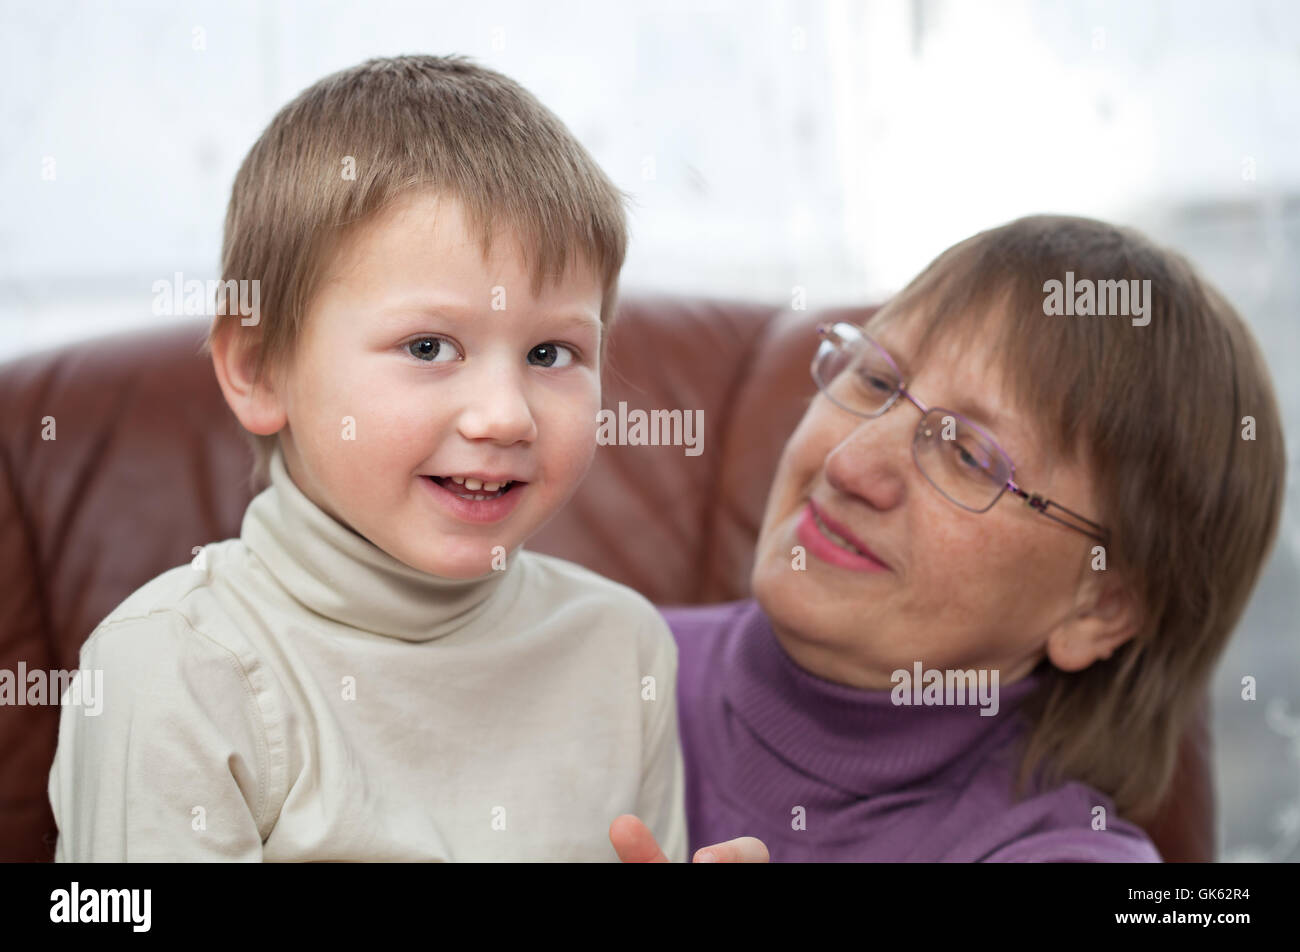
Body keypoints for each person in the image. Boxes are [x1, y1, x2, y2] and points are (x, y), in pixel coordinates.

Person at [47, 54, 690, 861]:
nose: (505, 415)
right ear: (259, 368)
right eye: (429, 345)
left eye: (553, 354)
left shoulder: (623, 648)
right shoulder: (171, 666)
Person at [612, 214, 1285, 862]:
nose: (850, 463)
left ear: (1099, 607)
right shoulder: (580, 656)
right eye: (876, 381)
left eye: (969, 456)